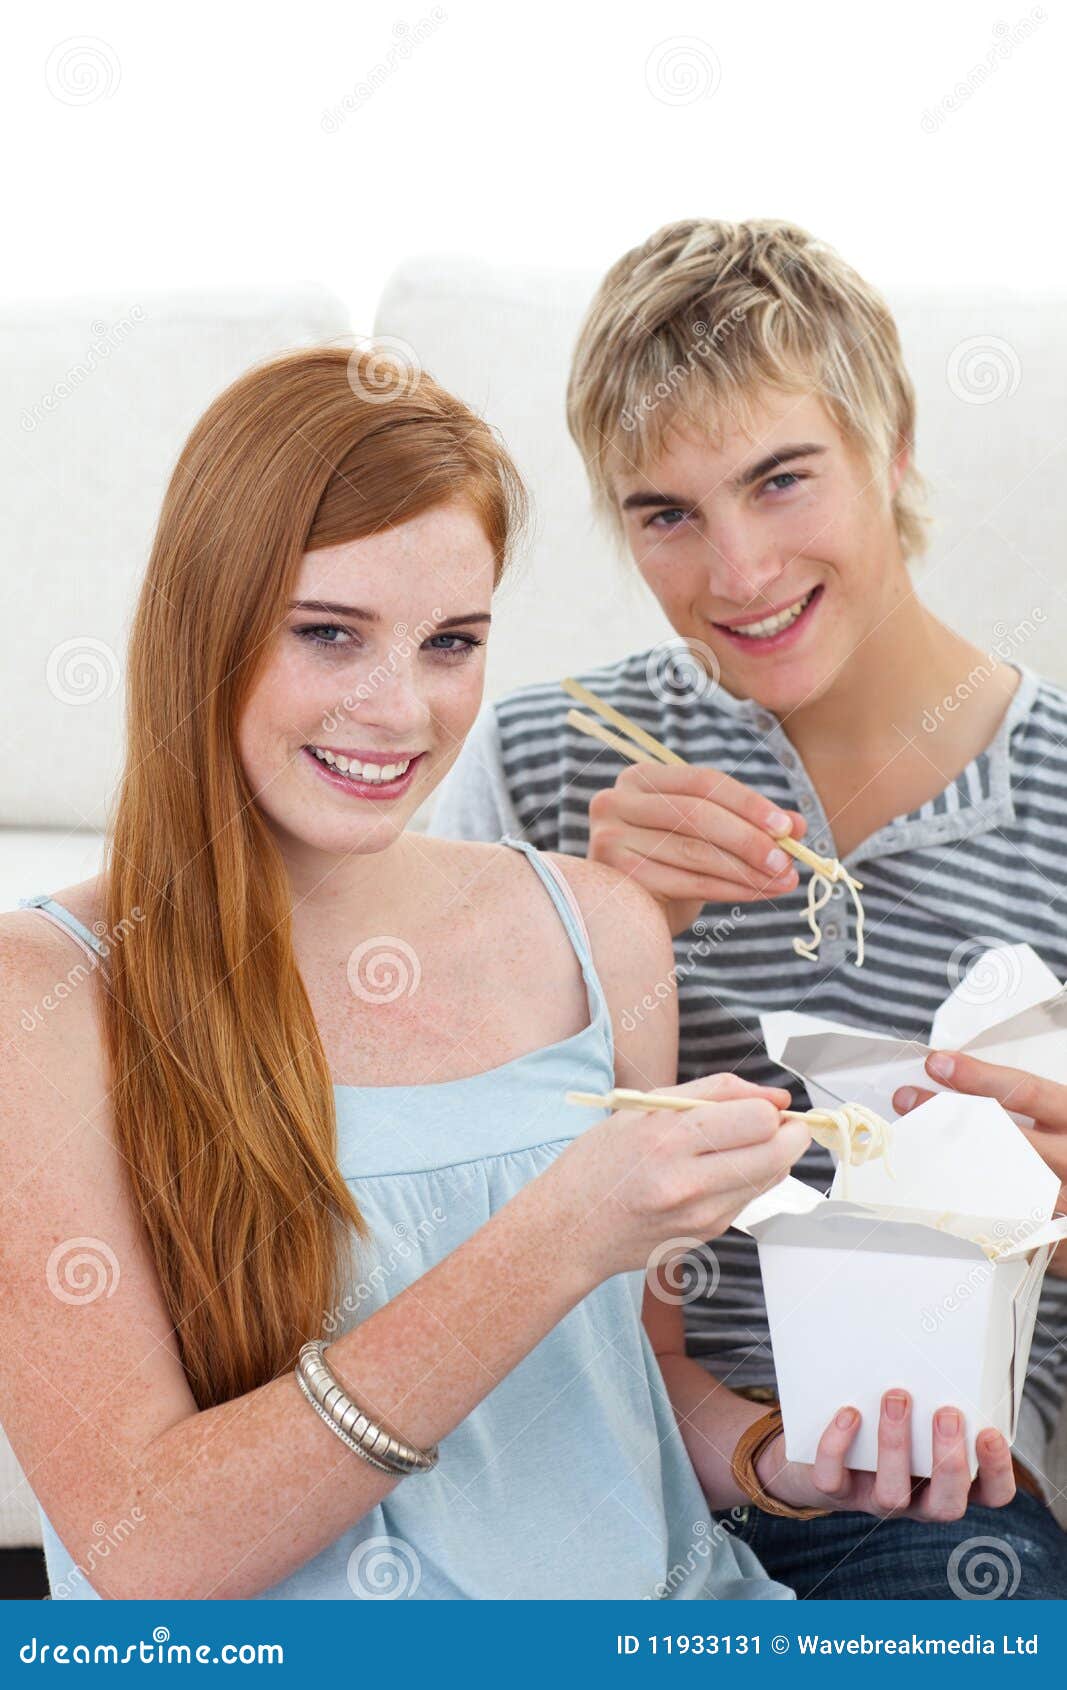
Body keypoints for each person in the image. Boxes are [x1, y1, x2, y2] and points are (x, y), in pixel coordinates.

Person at [1, 346, 996, 1604]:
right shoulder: (42, 1000)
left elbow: (610, 1405)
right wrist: (559, 1233)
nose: (400, 710)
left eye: (449, 643)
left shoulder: (595, 930)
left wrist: (775, 1457)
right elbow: (150, 1551)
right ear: (206, 621)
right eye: (329, 633)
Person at [427, 218, 1067, 1599]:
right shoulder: (544, 755)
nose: (736, 572)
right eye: (664, 513)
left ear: (887, 445)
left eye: (778, 480)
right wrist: (592, 936)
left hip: (909, 1495)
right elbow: (411, 1161)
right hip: (570, 1454)